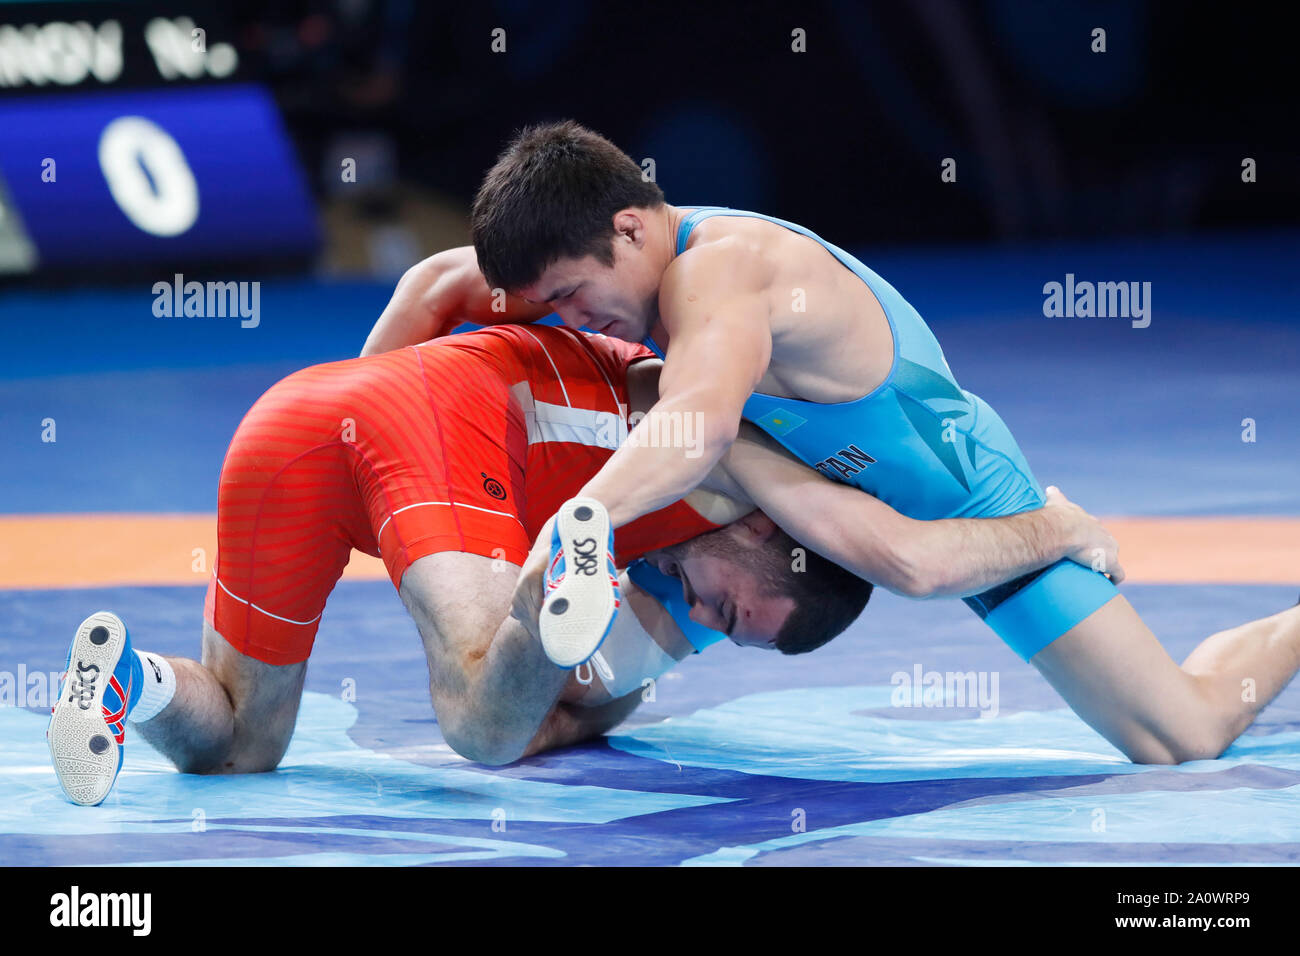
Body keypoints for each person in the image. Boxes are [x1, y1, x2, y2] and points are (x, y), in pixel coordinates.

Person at [363, 120, 1300, 766]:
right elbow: (434, 284)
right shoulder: (604, 263)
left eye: (570, 295)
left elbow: (698, 425)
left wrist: (584, 523)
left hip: (964, 498)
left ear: (629, 225)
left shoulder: (722, 273)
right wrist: (367, 425)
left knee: (1178, 736)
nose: (570, 319)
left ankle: (1061, 528)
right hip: (802, 477)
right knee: (563, 699)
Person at [48, 322, 1104, 805]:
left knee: (233, 742)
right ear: (770, 541)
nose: (710, 626)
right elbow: (915, 560)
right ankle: (551, 580)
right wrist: (1057, 528)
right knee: (479, 719)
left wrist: (361, 411)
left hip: (291, 416)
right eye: (737, 616)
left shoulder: (691, 555)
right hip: (424, 430)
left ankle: (124, 679)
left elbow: (440, 273)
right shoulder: (735, 466)